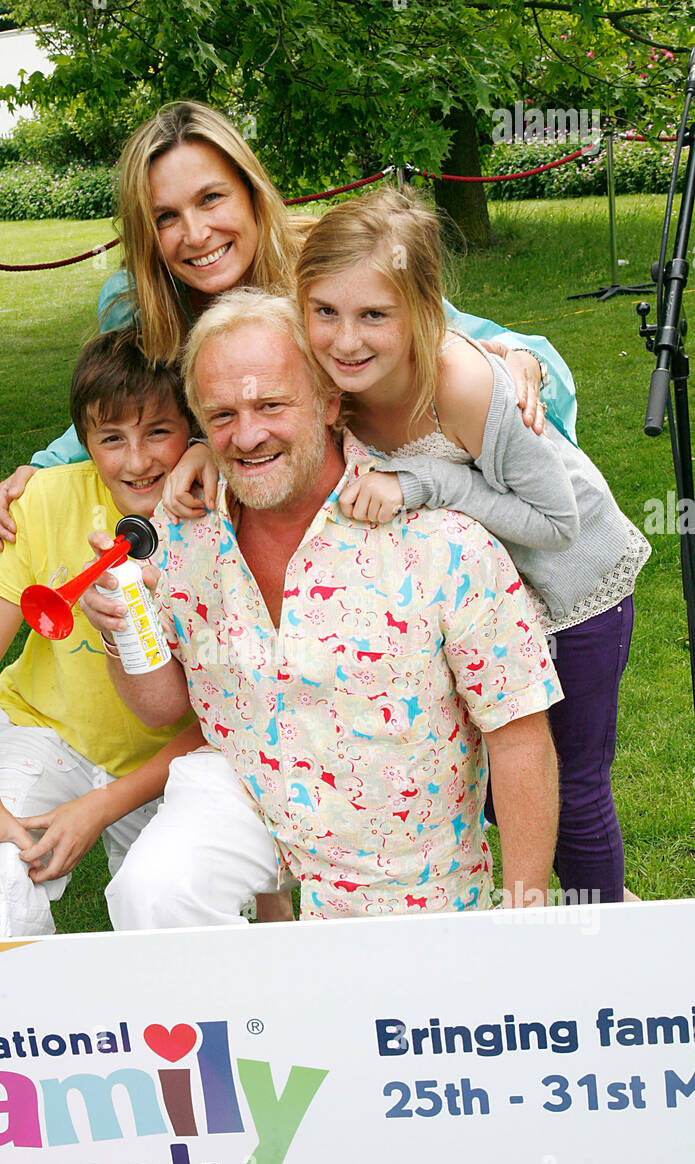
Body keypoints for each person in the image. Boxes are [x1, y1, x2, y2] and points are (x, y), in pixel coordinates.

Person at [80, 289, 563, 927]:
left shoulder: (442, 544)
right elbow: (163, 706)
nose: (246, 435)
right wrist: (122, 627)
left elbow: (519, 734)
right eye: (221, 414)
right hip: (244, 792)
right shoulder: (182, 535)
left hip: (403, 879)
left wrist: (524, 916)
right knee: (153, 890)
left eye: (271, 405)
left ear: (330, 402)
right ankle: (231, 1020)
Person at [0, 100, 576, 552]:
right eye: (167, 216)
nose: (195, 234)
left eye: (211, 198)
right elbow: (125, 407)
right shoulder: (135, 302)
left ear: (251, 192)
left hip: (374, 513)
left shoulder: (318, 268)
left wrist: (523, 359)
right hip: (242, 531)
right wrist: (42, 469)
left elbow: (438, 334)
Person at [287, 187, 650, 904]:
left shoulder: (462, 383)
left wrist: (422, 481)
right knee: (490, 792)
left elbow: (556, 524)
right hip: (479, 607)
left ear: (423, 312)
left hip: (573, 593)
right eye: (324, 312)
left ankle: (601, 941)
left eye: (373, 316)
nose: (345, 339)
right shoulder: (332, 380)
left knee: (570, 791)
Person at [0, 329, 203, 938]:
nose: (136, 462)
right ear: (83, 444)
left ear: (193, 432)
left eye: (158, 432)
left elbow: (229, 718)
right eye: (111, 439)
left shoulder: (224, 513)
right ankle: (36, 1031)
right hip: (48, 731)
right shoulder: (44, 501)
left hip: (174, 757)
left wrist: (101, 808)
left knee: (175, 915)